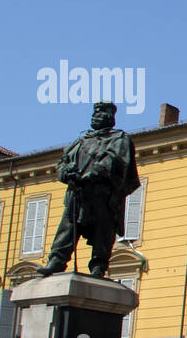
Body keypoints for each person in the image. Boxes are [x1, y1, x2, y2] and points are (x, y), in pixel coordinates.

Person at [36, 101, 141, 277]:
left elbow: (116, 162)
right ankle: (57, 260)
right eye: (94, 113)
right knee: (67, 228)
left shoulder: (119, 139)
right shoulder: (81, 141)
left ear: (110, 118)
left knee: (103, 231)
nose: (96, 116)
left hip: (103, 195)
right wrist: (66, 172)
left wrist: (92, 174)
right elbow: (62, 163)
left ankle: (99, 266)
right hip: (78, 193)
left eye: (101, 114)